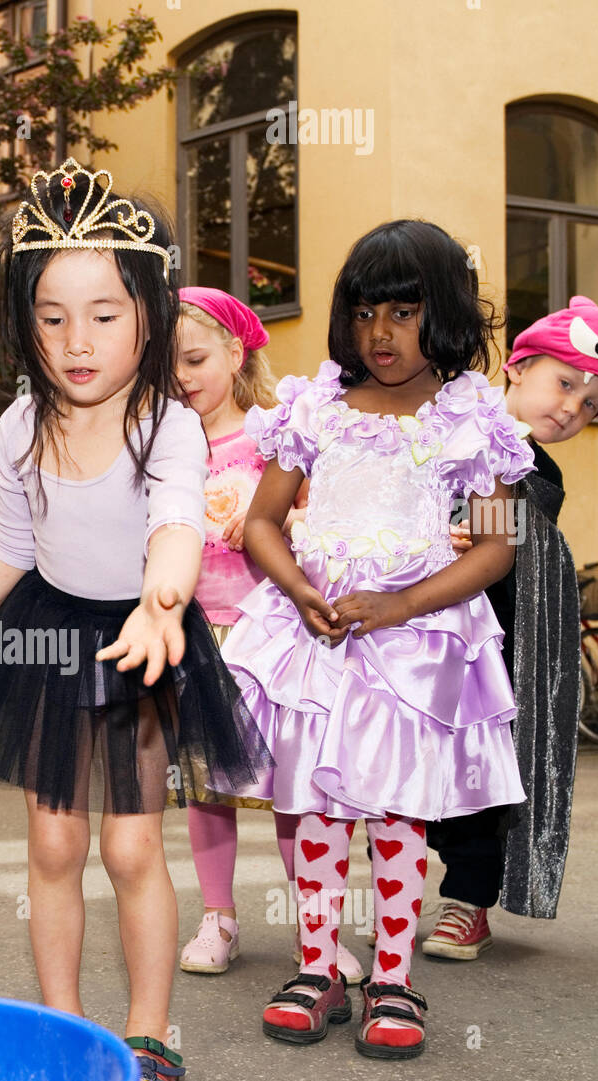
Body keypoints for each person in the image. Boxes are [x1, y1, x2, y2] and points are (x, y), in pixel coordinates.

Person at [0, 157, 271, 1081]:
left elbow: (180, 521)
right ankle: (63, 1028)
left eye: (103, 314)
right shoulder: (19, 426)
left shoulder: (166, 427)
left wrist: (162, 602)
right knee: (52, 847)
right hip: (50, 637)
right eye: (51, 317)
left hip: (143, 637)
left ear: (149, 310)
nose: (77, 340)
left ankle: (148, 1033)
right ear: (24, 323)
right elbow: (13, 546)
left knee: (132, 850)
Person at [216, 218, 535, 1059]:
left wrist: (403, 606)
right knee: (319, 804)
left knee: (397, 809)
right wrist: (300, 589)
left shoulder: (478, 419)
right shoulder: (314, 406)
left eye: (402, 311)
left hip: (418, 643)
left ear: (449, 312)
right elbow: (261, 524)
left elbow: (501, 544)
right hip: (319, 638)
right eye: (364, 313)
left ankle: (392, 976)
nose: (380, 334)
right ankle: (318, 965)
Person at [423, 295, 598, 957]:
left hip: (493, 649)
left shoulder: (535, 469)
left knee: (480, 781)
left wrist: (468, 531)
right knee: (412, 770)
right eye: (565, 384)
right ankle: (399, 887)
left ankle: (468, 901)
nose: (571, 409)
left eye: (591, 406)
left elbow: (504, 539)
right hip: (422, 635)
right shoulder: (442, 425)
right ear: (519, 366)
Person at [173, 287, 366, 985]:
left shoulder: (273, 433)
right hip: (199, 638)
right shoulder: (166, 448)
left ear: (235, 352)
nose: (183, 377)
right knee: (207, 786)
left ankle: (314, 930)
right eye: (167, 366)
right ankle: (218, 916)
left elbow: (320, 526)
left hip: (273, 639)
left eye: (194, 358)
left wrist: (272, 525)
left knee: (292, 789)